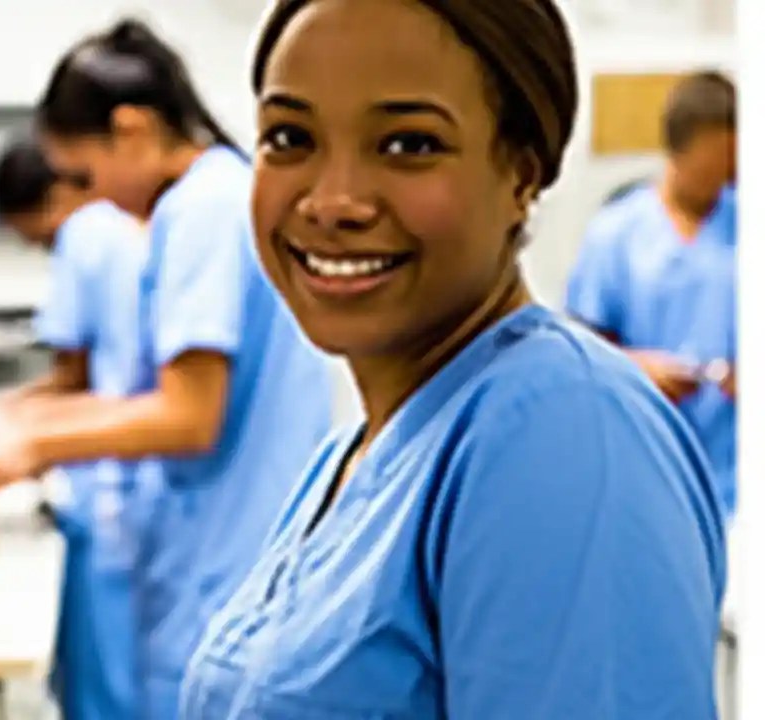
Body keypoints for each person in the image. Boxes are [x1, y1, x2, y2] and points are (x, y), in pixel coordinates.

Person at [170, 1, 725, 718]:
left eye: (408, 145)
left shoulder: (563, 433)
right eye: (289, 136)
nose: (332, 200)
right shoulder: (362, 454)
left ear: (522, 174)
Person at [0, 19, 336, 720]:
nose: (93, 199)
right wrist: (34, 416)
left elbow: (186, 414)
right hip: (223, 555)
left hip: (221, 569)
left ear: (133, 131)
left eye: (85, 173)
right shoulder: (219, 197)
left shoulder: (203, 211)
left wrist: (30, 444)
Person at [0, 139, 153, 720]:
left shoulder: (83, 236)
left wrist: (11, 419)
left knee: (101, 691)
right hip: (131, 480)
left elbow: (75, 377)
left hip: (107, 489)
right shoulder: (126, 230)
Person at [567, 71, 738, 515]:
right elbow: (579, 350)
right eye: (713, 161)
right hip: (644, 453)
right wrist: (639, 368)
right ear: (678, 152)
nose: (724, 175)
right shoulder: (617, 233)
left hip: (734, 469)